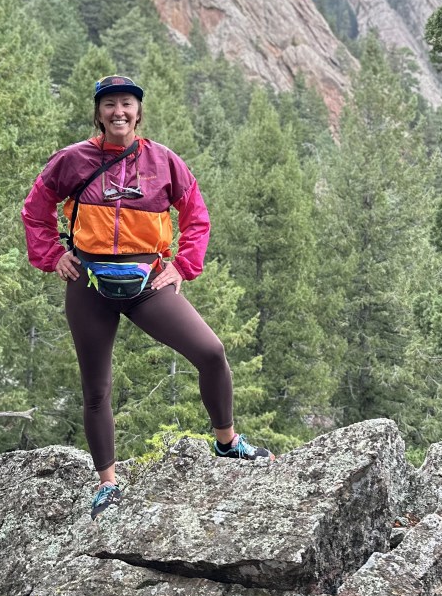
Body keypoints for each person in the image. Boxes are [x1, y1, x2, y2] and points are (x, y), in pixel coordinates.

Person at [22, 74, 270, 519]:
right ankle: (107, 484)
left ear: (139, 111)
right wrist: (51, 255)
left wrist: (182, 265)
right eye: (110, 104)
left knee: (211, 352)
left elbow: (196, 215)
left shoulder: (164, 162)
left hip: (147, 284)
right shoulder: (72, 160)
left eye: (127, 104)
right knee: (96, 389)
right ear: (98, 113)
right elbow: (35, 208)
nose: (119, 112)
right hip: (90, 284)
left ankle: (227, 442)